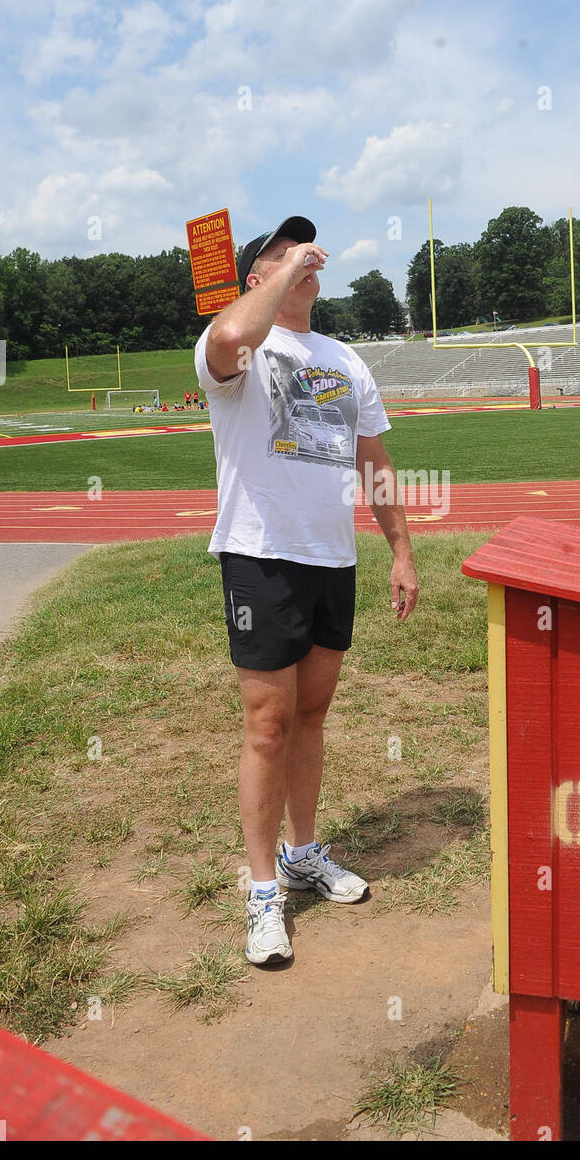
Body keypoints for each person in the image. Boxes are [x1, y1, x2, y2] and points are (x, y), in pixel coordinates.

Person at [194, 214, 419, 966]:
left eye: (306, 250)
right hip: (260, 555)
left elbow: (373, 459)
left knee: (312, 716)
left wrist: (400, 549)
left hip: (331, 558)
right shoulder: (235, 345)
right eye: (281, 252)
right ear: (255, 277)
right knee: (268, 725)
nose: (302, 258)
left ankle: (302, 853)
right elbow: (232, 335)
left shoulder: (345, 359)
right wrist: (287, 272)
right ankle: (263, 890)